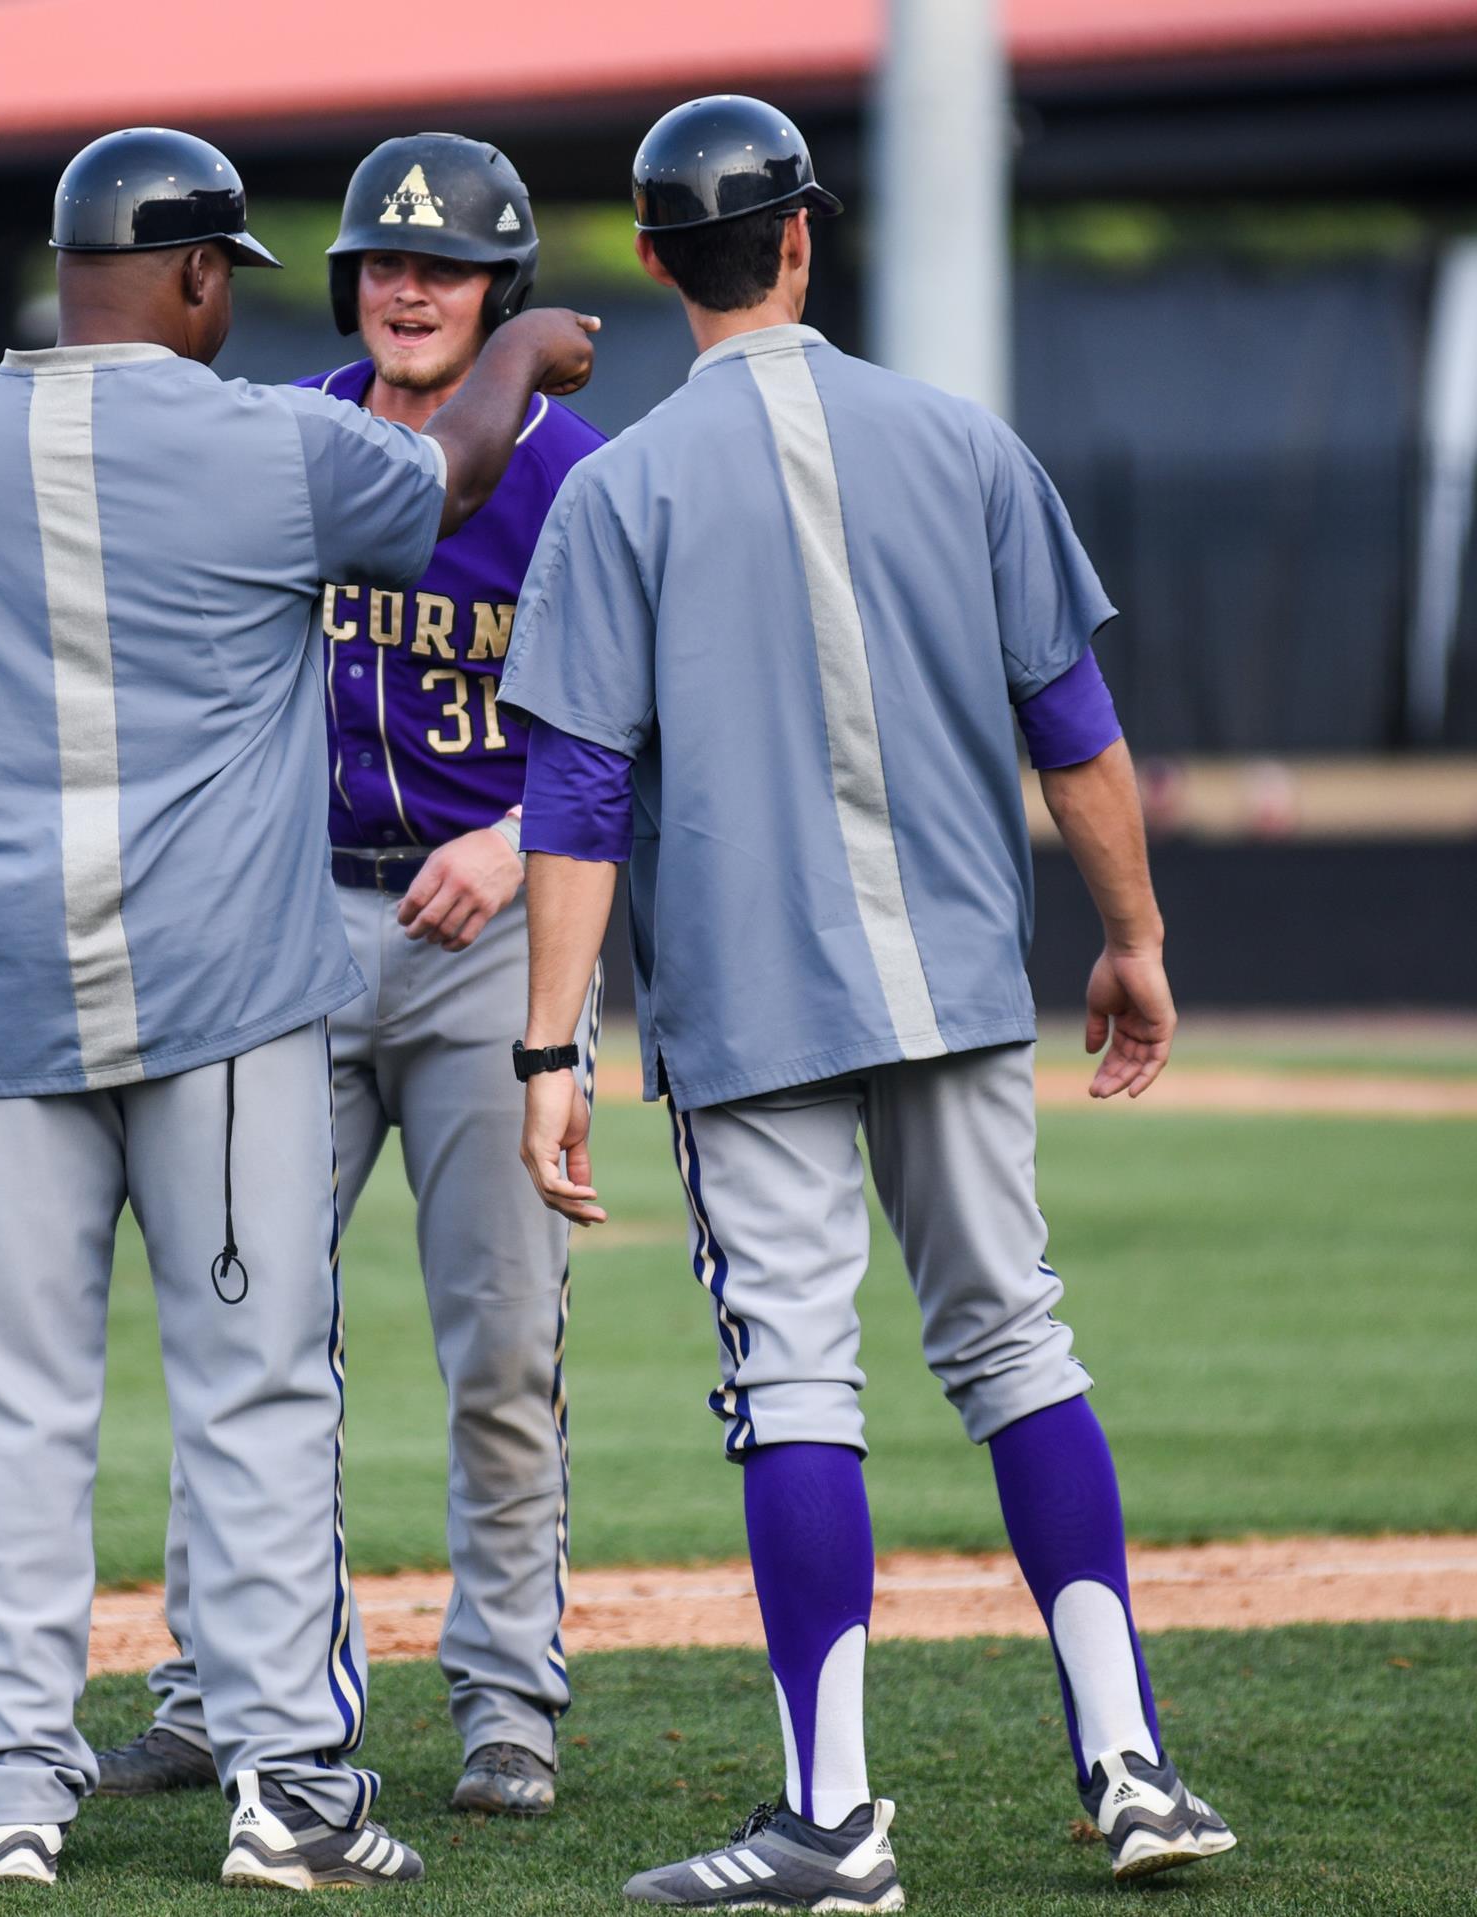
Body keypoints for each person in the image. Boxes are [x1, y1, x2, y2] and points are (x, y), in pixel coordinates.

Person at [0, 125, 596, 1892]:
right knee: (256, 1391)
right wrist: (534, 352)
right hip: (225, 1001)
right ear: (185, 278)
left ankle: (14, 1788)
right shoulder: (269, 446)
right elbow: (457, 473)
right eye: (221, 281)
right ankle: (288, 1791)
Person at [499, 94, 1235, 1911]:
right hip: (965, 981)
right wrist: (1134, 936)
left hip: (753, 1009)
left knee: (800, 1380)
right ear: (806, 238)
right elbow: (1075, 729)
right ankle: (1129, 1762)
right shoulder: (963, 440)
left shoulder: (620, 488)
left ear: (661, 264)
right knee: (1017, 1343)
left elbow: (580, 802)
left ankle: (834, 1823)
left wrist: (548, 1043)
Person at [96, 133, 607, 1821]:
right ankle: (216, 1685)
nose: (407, 287)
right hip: (289, 928)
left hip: (486, 954)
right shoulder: (286, 441)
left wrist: (525, 829)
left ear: (497, 291)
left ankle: (507, 1702)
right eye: (384, 264)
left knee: (501, 1344)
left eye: (444, 268)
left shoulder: (573, 475)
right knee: (243, 1324)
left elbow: (648, 727)